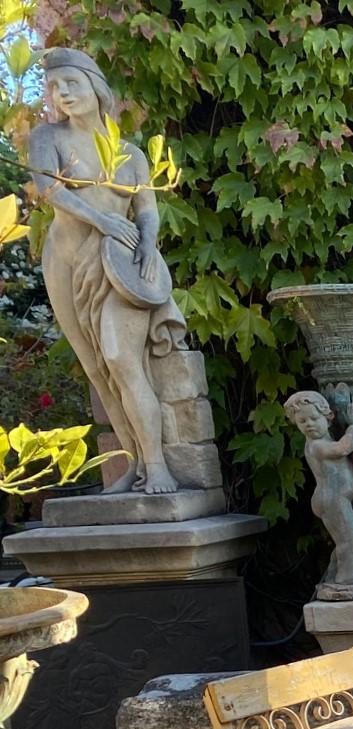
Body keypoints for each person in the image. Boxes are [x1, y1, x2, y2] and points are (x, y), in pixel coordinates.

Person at [27, 48, 184, 495]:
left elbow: (147, 209)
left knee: (120, 357)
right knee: (98, 368)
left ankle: (158, 466)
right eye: (55, 88)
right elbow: (49, 189)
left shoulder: (130, 153)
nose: (62, 94)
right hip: (66, 260)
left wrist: (149, 243)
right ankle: (135, 465)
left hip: (121, 261)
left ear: (95, 87)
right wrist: (101, 219)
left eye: (70, 84)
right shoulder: (46, 137)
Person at [286, 389, 353, 586]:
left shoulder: (324, 438)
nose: (309, 425)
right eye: (302, 421)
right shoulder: (317, 445)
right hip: (332, 499)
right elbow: (342, 449)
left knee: (344, 538)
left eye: (314, 418)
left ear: (329, 417)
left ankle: (335, 571)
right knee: (350, 539)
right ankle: (347, 576)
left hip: (337, 497)